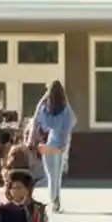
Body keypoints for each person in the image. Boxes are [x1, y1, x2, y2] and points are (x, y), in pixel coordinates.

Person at [28, 80, 76, 212]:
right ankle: (56, 202)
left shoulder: (46, 109)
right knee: (57, 176)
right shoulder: (65, 109)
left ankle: (53, 201)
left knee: (50, 176)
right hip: (60, 145)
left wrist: (44, 97)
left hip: (49, 145)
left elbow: (38, 116)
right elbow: (72, 120)